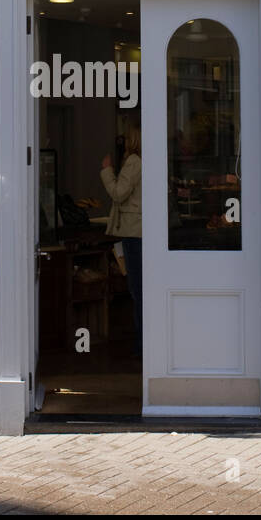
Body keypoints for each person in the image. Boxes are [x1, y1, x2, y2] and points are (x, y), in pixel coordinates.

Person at [102, 126, 142, 354]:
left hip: (134, 232)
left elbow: (118, 193)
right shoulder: (147, 159)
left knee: (137, 289)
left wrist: (107, 171)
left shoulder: (134, 161)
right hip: (141, 231)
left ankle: (141, 345)